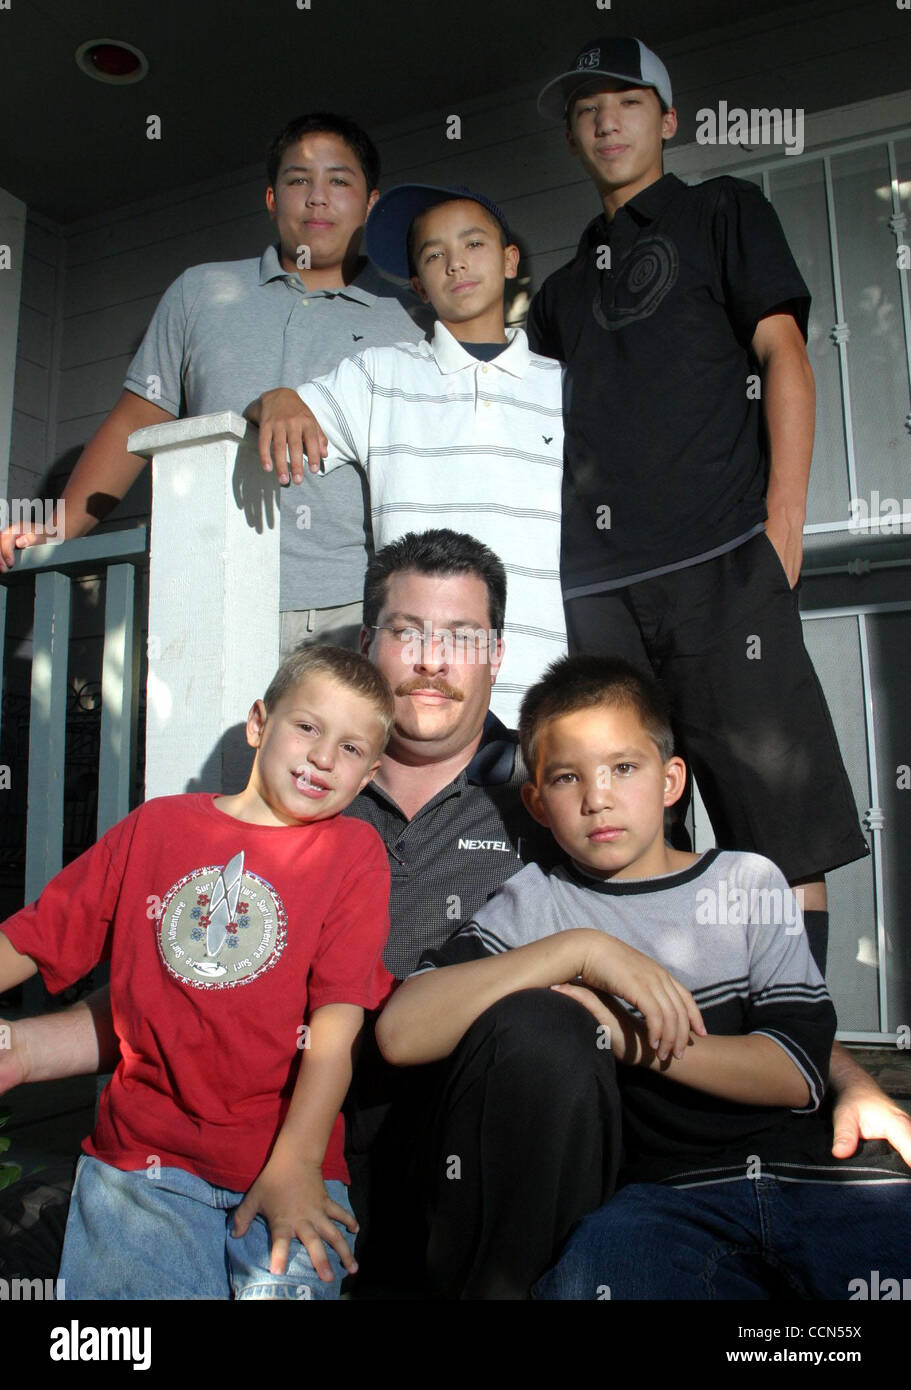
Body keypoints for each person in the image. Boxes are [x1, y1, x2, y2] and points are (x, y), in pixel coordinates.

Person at [2, 533, 910, 1293]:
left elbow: (683, 934)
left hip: (478, 1164)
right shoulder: (296, 798)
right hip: (263, 1155)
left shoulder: (556, 785)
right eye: (409, 631)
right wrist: (29, 1048)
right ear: (369, 642)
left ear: (496, 655)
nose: (435, 660)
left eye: (463, 636)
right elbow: (190, 982)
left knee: (544, 1026)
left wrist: (833, 1069)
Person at [527, 32, 877, 1118]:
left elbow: (780, 353)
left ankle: (797, 1056)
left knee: (772, 817)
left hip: (720, 562)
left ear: (664, 118)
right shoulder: (555, 288)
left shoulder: (723, 210)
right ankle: (653, 1052)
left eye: (625, 103)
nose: (605, 123)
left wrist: (780, 522)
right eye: (584, 110)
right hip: (592, 585)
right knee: (620, 814)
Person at [379, 654, 911, 1300]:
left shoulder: (745, 882)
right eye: (567, 778)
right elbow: (402, 1033)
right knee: (590, 1281)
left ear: (670, 780)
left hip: (810, 1176)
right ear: (536, 804)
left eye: (623, 768)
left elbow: (792, 1071)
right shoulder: (538, 903)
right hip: (662, 1202)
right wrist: (577, 949)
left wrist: (620, 1031)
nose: (597, 797)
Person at [0, 645, 396, 1299]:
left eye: (352, 750)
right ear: (258, 723)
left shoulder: (354, 854)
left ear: (369, 775)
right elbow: (39, 937)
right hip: (141, 1165)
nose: (325, 756)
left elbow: (337, 1022)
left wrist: (297, 1164)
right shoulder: (158, 827)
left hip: (288, 1164)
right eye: (307, 727)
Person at [0, 113, 428, 653]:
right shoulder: (200, 291)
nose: (317, 198)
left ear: (371, 203)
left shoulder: (408, 315)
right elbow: (138, 419)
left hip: (359, 602)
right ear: (272, 198)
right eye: (298, 180)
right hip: (211, 588)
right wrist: (56, 526)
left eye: (340, 181)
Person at [248, 184, 567, 724]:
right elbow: (288, 415)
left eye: (473, 245)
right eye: (434, 254)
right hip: (418, 680)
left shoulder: (562, 384)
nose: (455, 264)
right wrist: (275, 398)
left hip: (541, 675)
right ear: (418, 284)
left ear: (510, 260)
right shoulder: (379, 375)